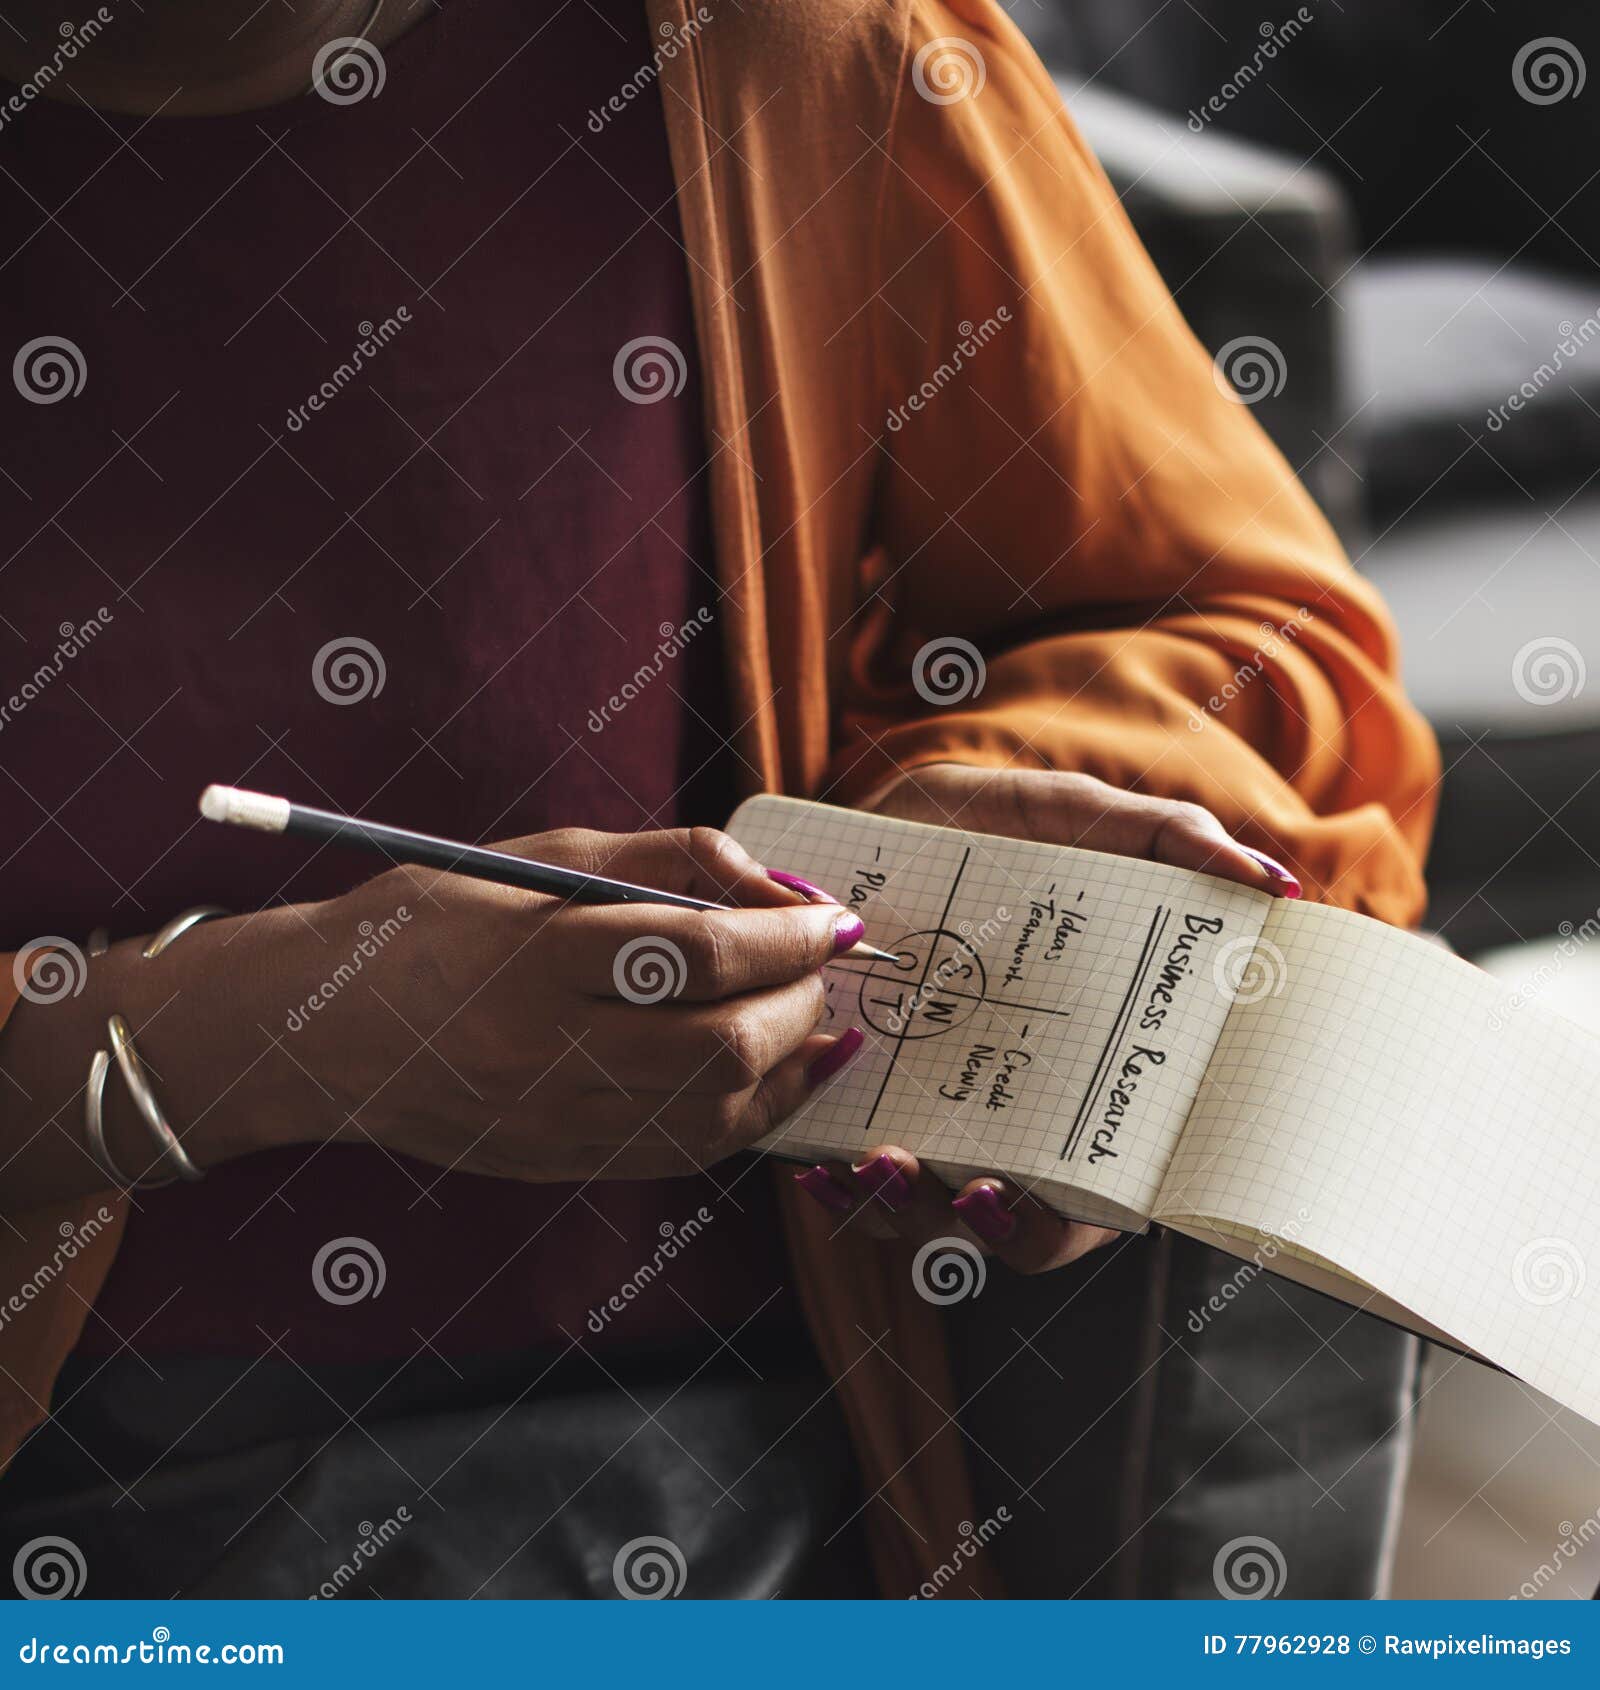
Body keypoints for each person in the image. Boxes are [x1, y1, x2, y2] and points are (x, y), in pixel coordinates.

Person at [0, 0, 1438, 1597]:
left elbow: (1260, 648)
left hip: (703, 1461)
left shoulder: (783, 57)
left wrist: (946, 828)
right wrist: (239, 1037)